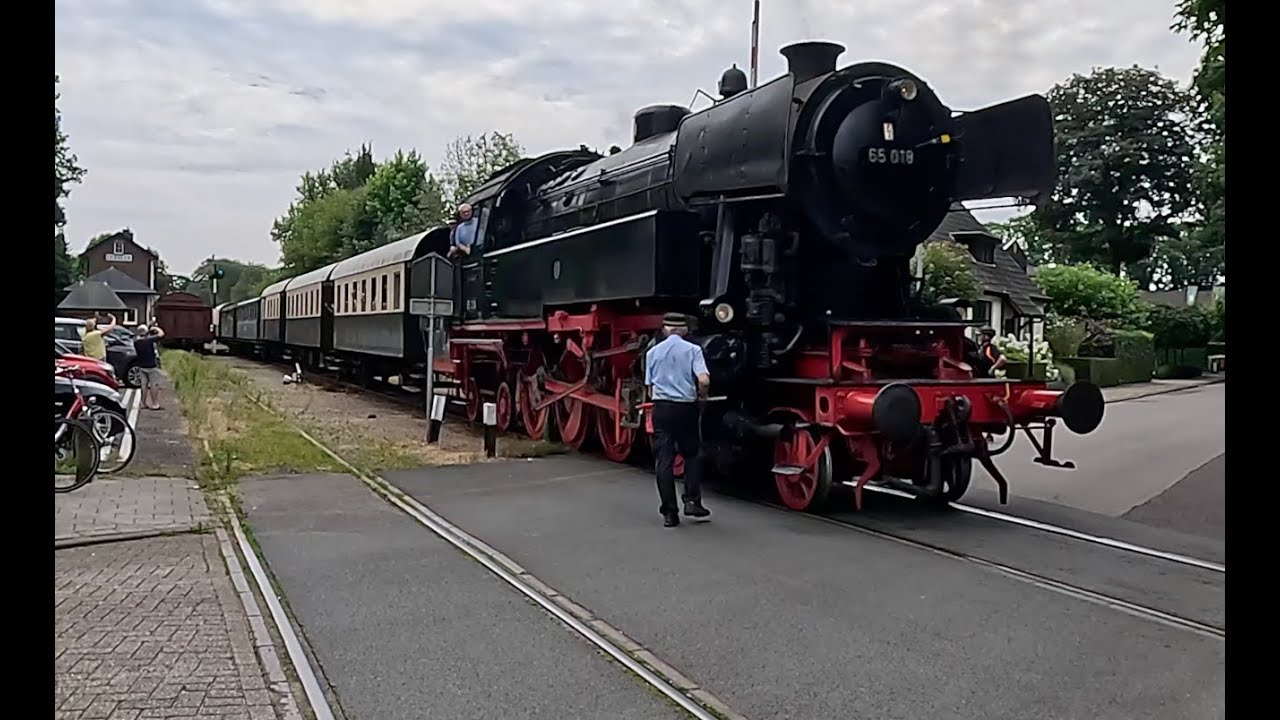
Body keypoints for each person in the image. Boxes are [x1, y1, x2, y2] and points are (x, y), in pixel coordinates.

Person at [644, 312, 712, 527]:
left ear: (665, 329)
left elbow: (649, 386)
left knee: (664, 460)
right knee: (692, 454)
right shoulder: (693, 350)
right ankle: (692, 501)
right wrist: (702, 396)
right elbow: (703, 379)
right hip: (685, 408)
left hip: (662, 407)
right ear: (684, 330)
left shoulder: (653, 352)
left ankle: (669, 514)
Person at [133, 324, 166, 410]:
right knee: (154, 385)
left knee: (144, 385)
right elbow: (161, 334)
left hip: (142, 365)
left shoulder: (136, 341)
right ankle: (155, 404)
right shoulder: (149, 340)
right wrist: (155, 328)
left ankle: (143, 403)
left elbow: (140, 335)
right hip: (152, 365)